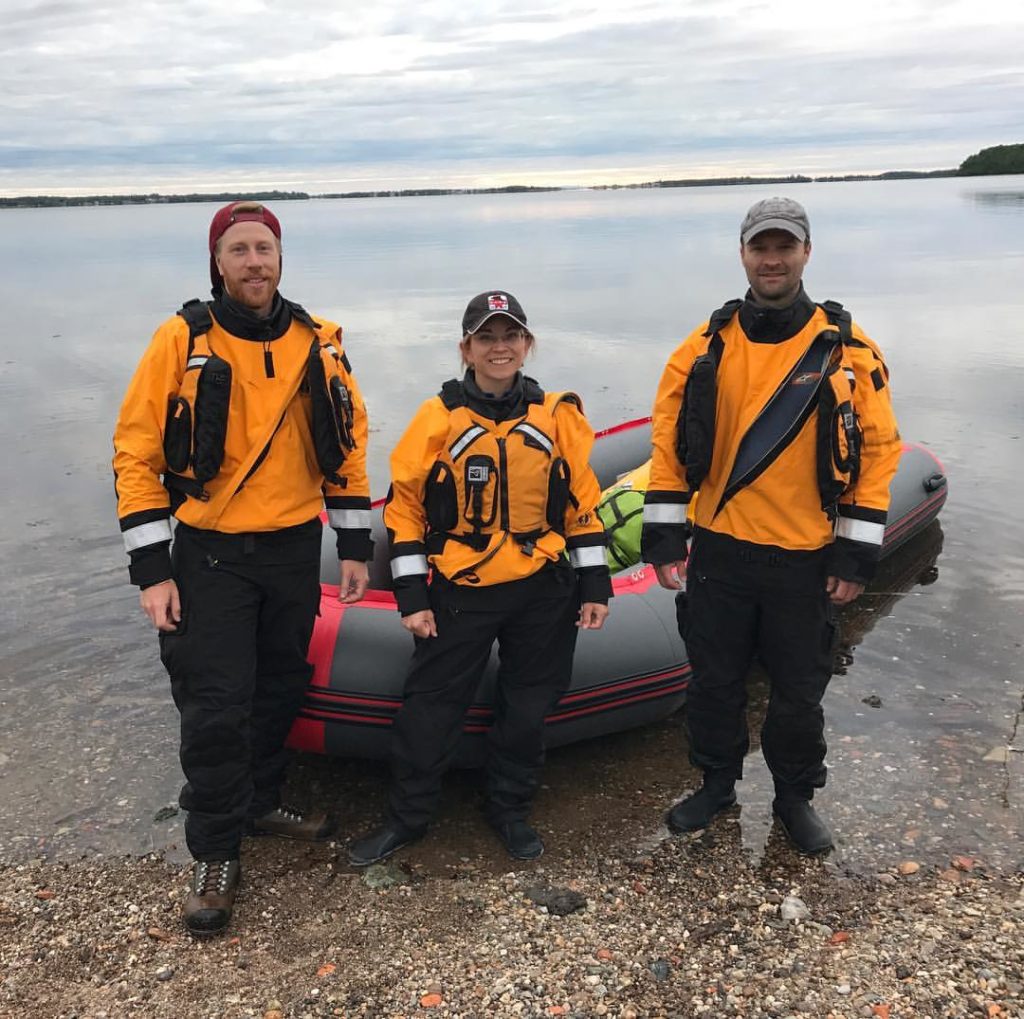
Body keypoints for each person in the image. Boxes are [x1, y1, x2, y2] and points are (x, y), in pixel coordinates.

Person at [112, 200, 373, 936]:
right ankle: (216, 854)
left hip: (294, 550)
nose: (255, 262)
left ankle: (260, 800)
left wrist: (353, 546)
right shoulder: (181, 338)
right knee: (215, 706)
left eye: (265, 248)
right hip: (212, 555)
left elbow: (348, 446)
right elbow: (135, 453)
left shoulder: (319, 341)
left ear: (280, 258)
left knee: (281, 684)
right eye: (239, 250)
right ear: (217, 262)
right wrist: (152, 571)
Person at [641, 197, 901, 854]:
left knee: (798, 691)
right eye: (762, 246)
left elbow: (877, 451)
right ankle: (716, 783)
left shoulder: (847, 350)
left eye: (786, 246)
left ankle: (794, 797)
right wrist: (666, 538)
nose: (773, 258)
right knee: (714, 681)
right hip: (720, 553)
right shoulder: (702, 347)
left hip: (805, 555)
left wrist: (855, 555)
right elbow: (670, 446)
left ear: (806, 252)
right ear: (744, 254)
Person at [348, 291, 611, 866]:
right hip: (460, 591)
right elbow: (405, 511)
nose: (500, 347)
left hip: (541, 588)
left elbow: (582, 508)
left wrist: (595, 586)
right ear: (466, 348)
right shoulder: (438, 419)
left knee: (528, 706)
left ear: (527, 345)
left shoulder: (556, 417)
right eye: (487, 337)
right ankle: (407, 818)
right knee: (430, 708)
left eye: (510, 336)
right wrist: (413, 597)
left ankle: (509, 810)